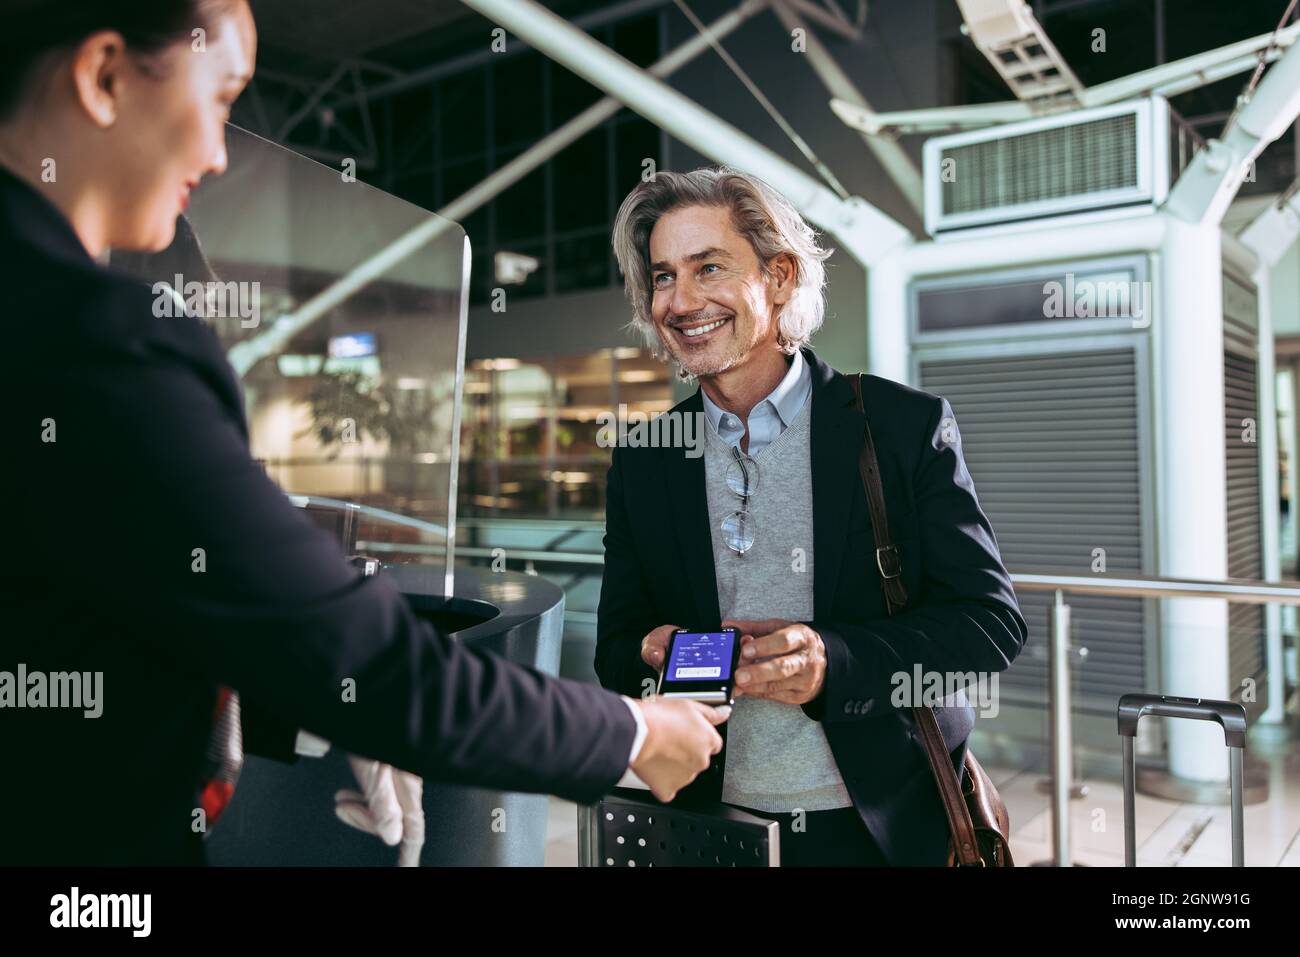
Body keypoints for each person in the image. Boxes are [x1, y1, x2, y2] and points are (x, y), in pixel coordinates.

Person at [0, 0, 727, 866]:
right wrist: (631, 730)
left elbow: (89, 598)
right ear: (106, 75)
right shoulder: (98, 339)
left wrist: (312, 699)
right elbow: (370, 661)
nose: (219, 151)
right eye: (221, 98)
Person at [598, 167, 1028, 866]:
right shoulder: (646, 457)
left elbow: (990, 622)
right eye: (664, 276)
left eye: (709, 267)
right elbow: (613, 646)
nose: (680, 300)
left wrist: (835, 662)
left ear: (780, 276)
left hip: (879, 826)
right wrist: (652, 650)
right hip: (711, 828)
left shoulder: (898, 427)